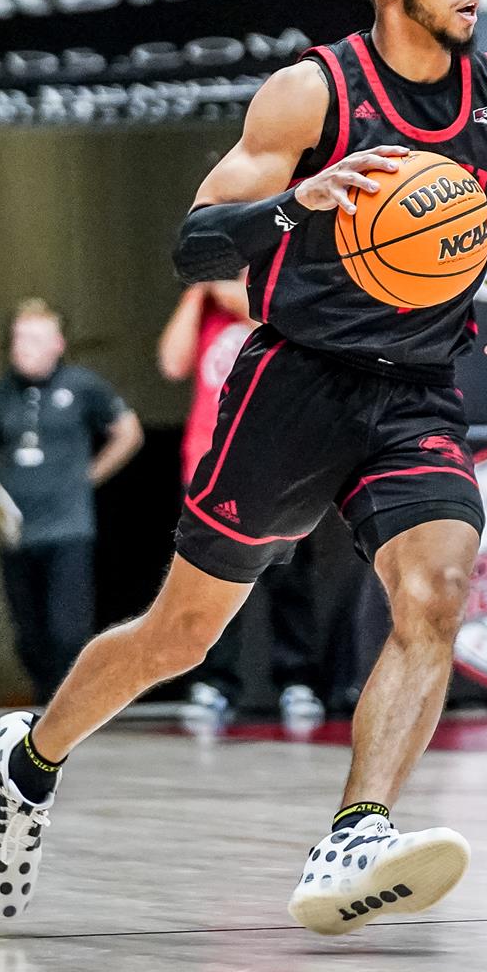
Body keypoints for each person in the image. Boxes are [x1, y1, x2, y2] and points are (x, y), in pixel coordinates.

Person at [0, 0, 487, 935]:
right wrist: (297, 201)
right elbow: (193, 247)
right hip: (294, 379)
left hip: (414, 385)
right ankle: (30, 756)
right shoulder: (310, 94)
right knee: (180, 637)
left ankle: (356, 831)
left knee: (439, 586)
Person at [155, 277, 329, 731]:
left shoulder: (280, 298)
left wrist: (231, 294)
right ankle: (216, 683)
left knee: (287, 580)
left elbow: (291, 332)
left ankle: (297, 681)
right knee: (210, 583)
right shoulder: (205, 307)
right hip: (209, 467)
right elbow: (172, 364)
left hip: (279, 468)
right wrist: (195, 296)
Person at [0, 300, 142, 700]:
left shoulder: (82, 385)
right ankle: (45, 702)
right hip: (17, 529)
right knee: (27, 631)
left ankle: (70, 705)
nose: (24, 347)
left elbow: (128, 431)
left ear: (57, 344)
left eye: (35, 338)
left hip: (67, 526)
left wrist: (89, 476)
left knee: (67, 629)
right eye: (19, 338)